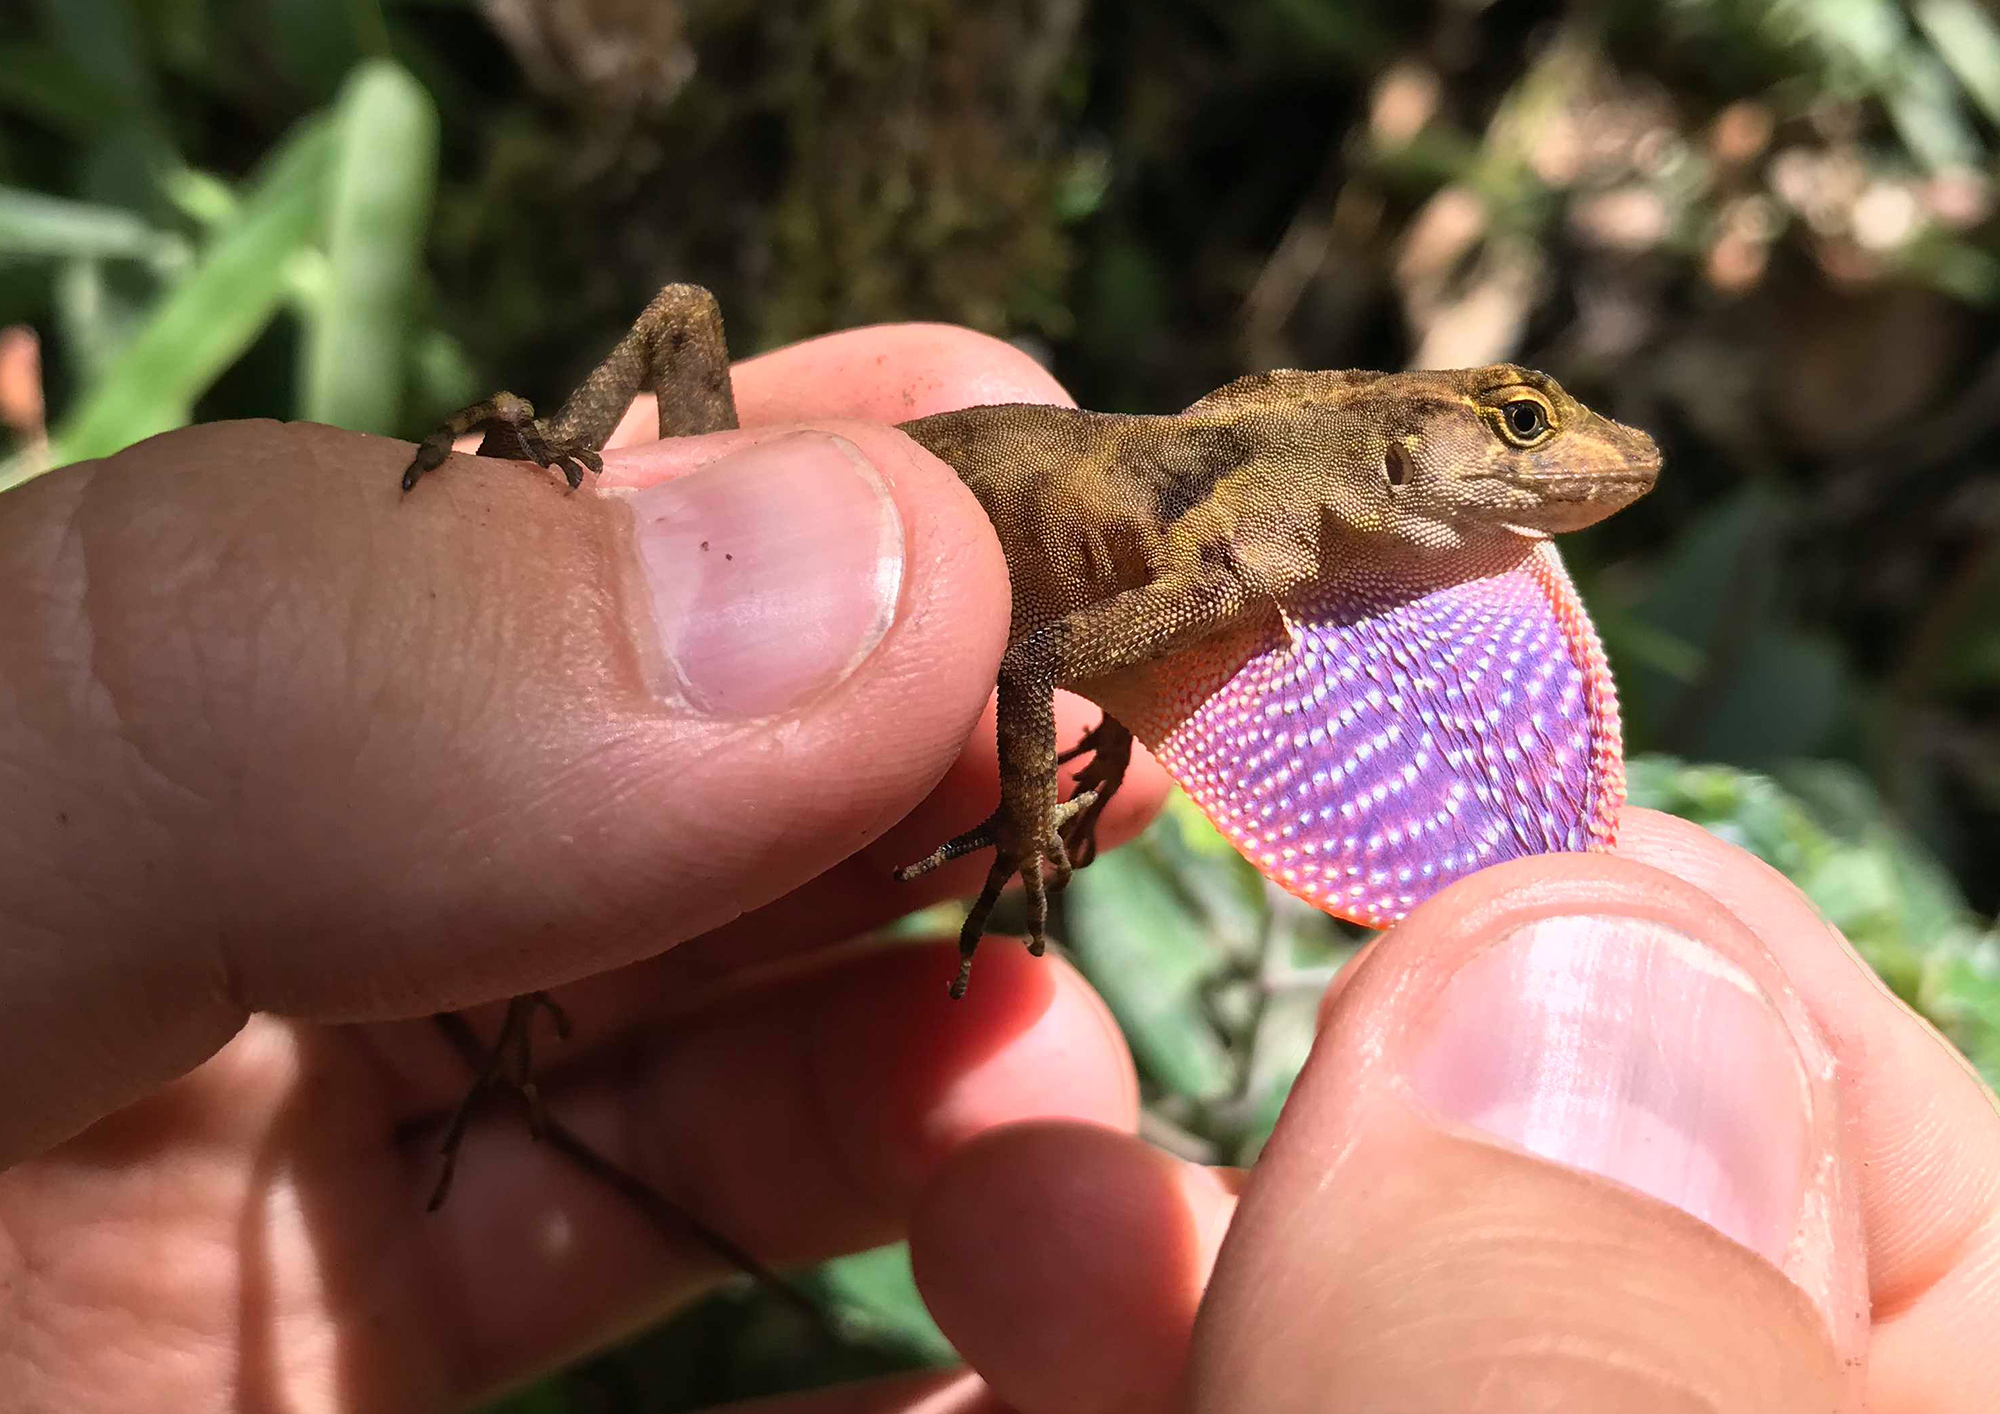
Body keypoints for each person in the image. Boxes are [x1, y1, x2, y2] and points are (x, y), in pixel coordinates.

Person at [1, 320, 1994, 1414]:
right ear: (1401, 450)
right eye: (1524, 421)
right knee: (688, 351)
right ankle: (576, 466)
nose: (1577, 452)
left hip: (786, 696)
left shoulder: (1267, 547)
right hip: (825, 580)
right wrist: (1033, 841)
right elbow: (1040, 656)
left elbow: (1076, 668)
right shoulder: (1233, 542)